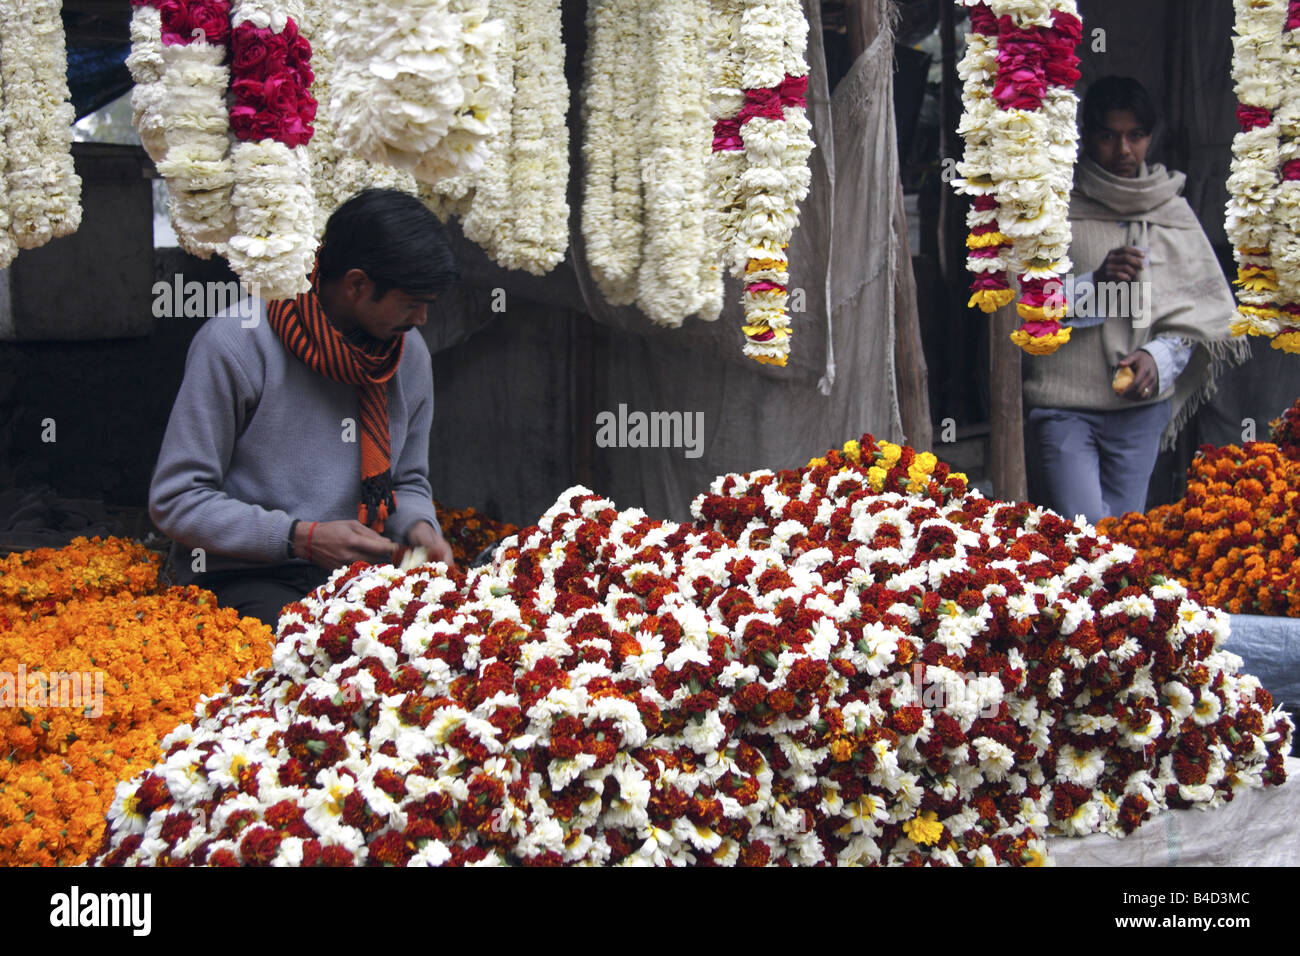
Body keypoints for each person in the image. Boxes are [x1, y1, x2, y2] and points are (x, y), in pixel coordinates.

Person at [149, 188, 458, 629]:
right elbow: (177, 501)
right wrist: (298, 538)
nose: (422, 321)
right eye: (412, 304)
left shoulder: (406, 354)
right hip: (249, 574)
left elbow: (406, 480)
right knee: (315, 662)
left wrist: (419, 529)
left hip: (361, 575)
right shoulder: (237, 344)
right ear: (356, 285)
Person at [1022, 76, 1246, 525]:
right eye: (1108, 135)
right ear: (1087, 137)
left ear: (1150, 137)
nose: (1123, 150)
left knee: (1126, 537)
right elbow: (1027, 308)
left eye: (1135, 136)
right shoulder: (1056, 207)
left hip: (1139, 410)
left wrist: (1156, 355)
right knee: (1085, 532)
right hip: (1064, 406)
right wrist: (1096, 280)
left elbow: (1197, 312)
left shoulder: (1169, 210)